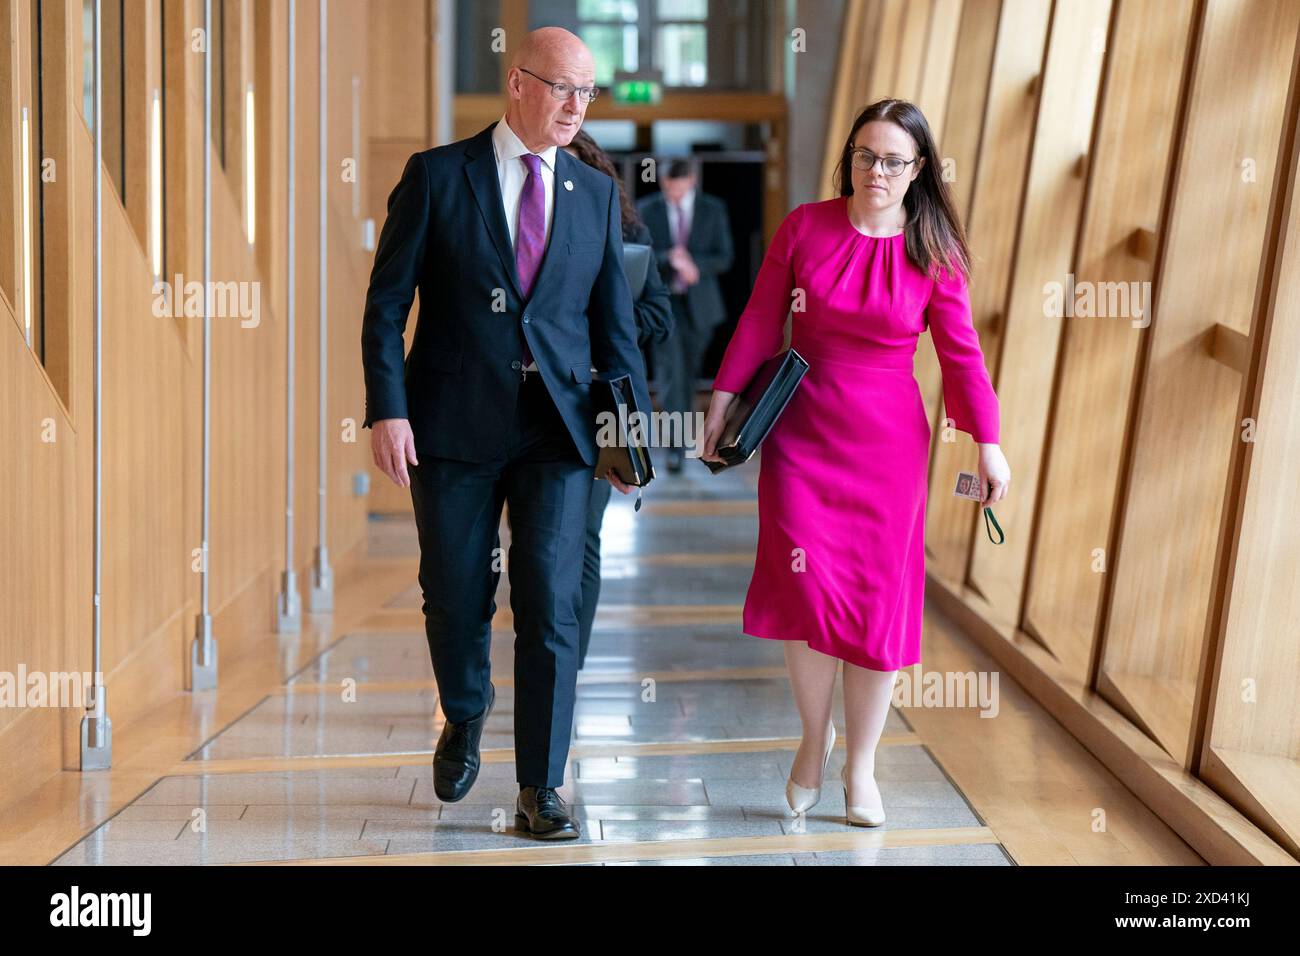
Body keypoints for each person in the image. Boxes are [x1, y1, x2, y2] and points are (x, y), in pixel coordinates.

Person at [359, 27, 651, 841]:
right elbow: (386, 310)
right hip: (451, 424)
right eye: (562, 88)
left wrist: (631, 439)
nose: (575, 107)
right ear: (518, 83)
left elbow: (613, 327)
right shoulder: (438, 176)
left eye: (587, 93)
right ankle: (463, 710)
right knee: (454, 593)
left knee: (552, 603)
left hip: (557, 432)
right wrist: (388, 409)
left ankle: (541, 788)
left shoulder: (592, 195)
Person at [699, 99, 1012, 827]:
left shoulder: (933, 252)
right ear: (851, 158)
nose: (876, 171)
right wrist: (721, 396)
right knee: (806, 592)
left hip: (887, 448)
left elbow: (962, 357)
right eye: (866, 156)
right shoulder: (806, 226)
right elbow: (759, 313)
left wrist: (987, 442)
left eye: (893, 160)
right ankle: (815, 738)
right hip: (800, 432)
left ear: (919, 170)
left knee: (875, 606)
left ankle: (862, 766)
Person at [561, 130, 674, 670]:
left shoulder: (629, 231)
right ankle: (546, 646)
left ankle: (570, 663)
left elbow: (660, 315)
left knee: (583, 536)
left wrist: (608, 321)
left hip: (599, 403)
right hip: (537, 398)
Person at [637, 159, 734, 471]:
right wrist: (670, 257)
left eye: (678, 189)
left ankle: (684, 438)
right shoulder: (647, 208)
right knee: (670, 375)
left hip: (700, 307)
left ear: (691, 181)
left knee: (688, 375)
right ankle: (676, 449)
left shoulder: (712, 209)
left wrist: (695, 265)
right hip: (664, 305)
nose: (673, 195)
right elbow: (639, 253)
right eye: (667, 189)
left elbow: (725, 256)